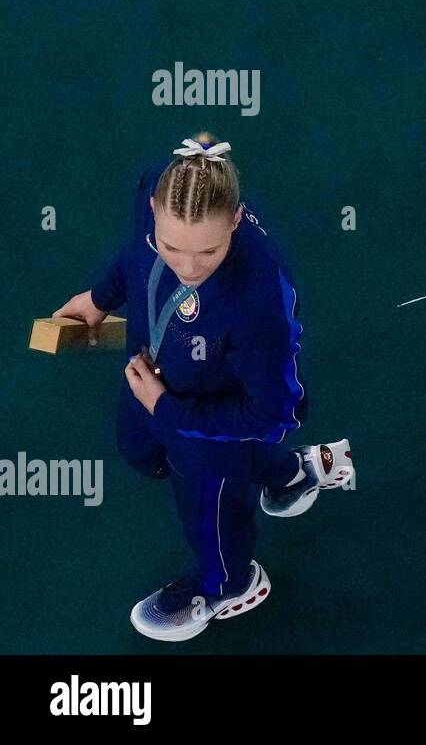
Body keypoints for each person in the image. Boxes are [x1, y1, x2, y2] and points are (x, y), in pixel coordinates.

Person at [53, 133, 354, 641]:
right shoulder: (160, 188)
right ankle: (291, 474)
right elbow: (136, 255)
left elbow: (272, 414)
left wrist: (169, 410)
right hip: (154, 381)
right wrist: (102, 296)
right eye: (172, 246)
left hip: (213, 422)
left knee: (208, 509)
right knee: (141, 451)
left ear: (236, 220)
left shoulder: (260, 302)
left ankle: (229, 584)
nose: (187, 268)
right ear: (153, 209)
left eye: (208, 252)